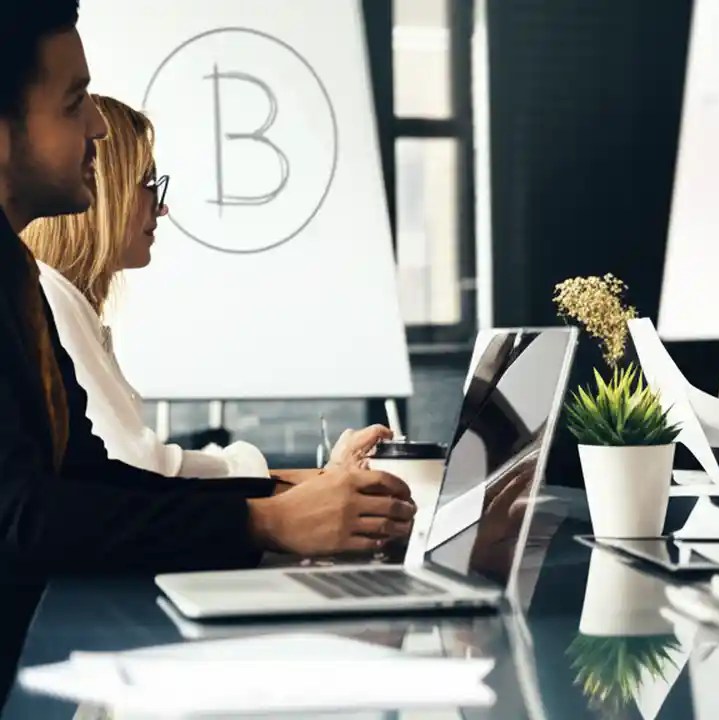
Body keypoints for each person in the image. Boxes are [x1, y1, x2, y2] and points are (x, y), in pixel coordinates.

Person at [0, 2, 414, 696]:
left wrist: (282, 511)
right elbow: (20, 518)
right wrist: (266, 518)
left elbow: (88, 479)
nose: (99, 124)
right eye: (74, 104)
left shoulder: (19, 281)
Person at [21, 94, 391, 479]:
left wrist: (320, 480)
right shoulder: (52, 300)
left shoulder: (65, 302)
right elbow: (145, 474)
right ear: (105, 191)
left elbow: (158, 474)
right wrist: (315, 486)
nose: (162, 207)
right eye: (149, 182)